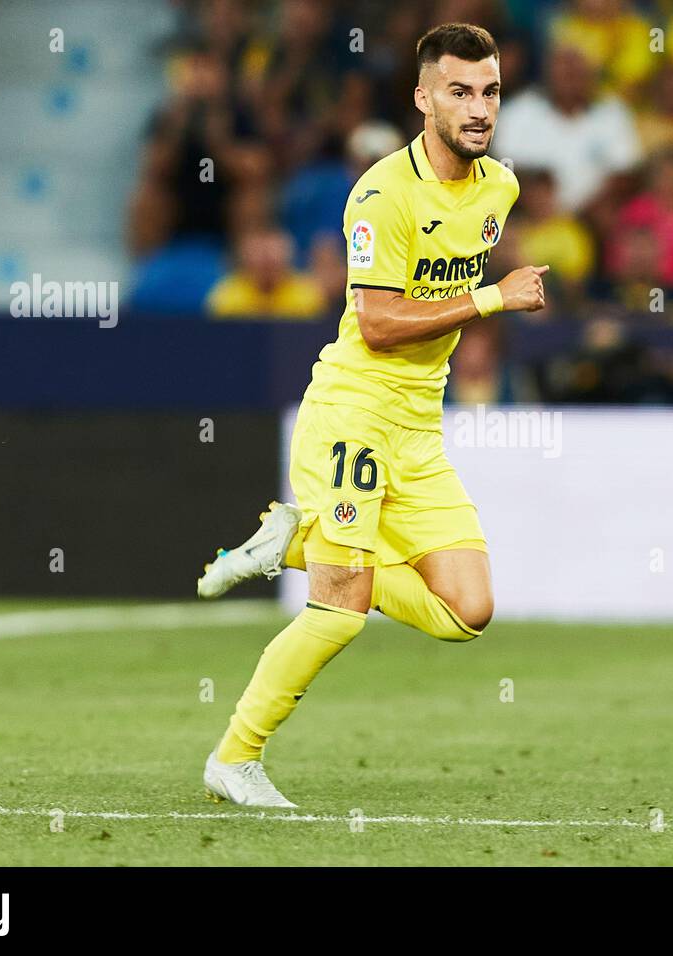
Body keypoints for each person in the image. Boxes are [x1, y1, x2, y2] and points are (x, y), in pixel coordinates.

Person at [193, 22, 549, 807]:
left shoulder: (501, 188)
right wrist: (494, 296)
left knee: (467, 612)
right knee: (342, 610)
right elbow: (381, 323)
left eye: (489, 91)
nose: (479, 108)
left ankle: (294, 542)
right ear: (424, 98)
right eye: (459, 91)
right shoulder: (382, 194)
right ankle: (234, 759)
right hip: (354, 408)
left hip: (419, 426)